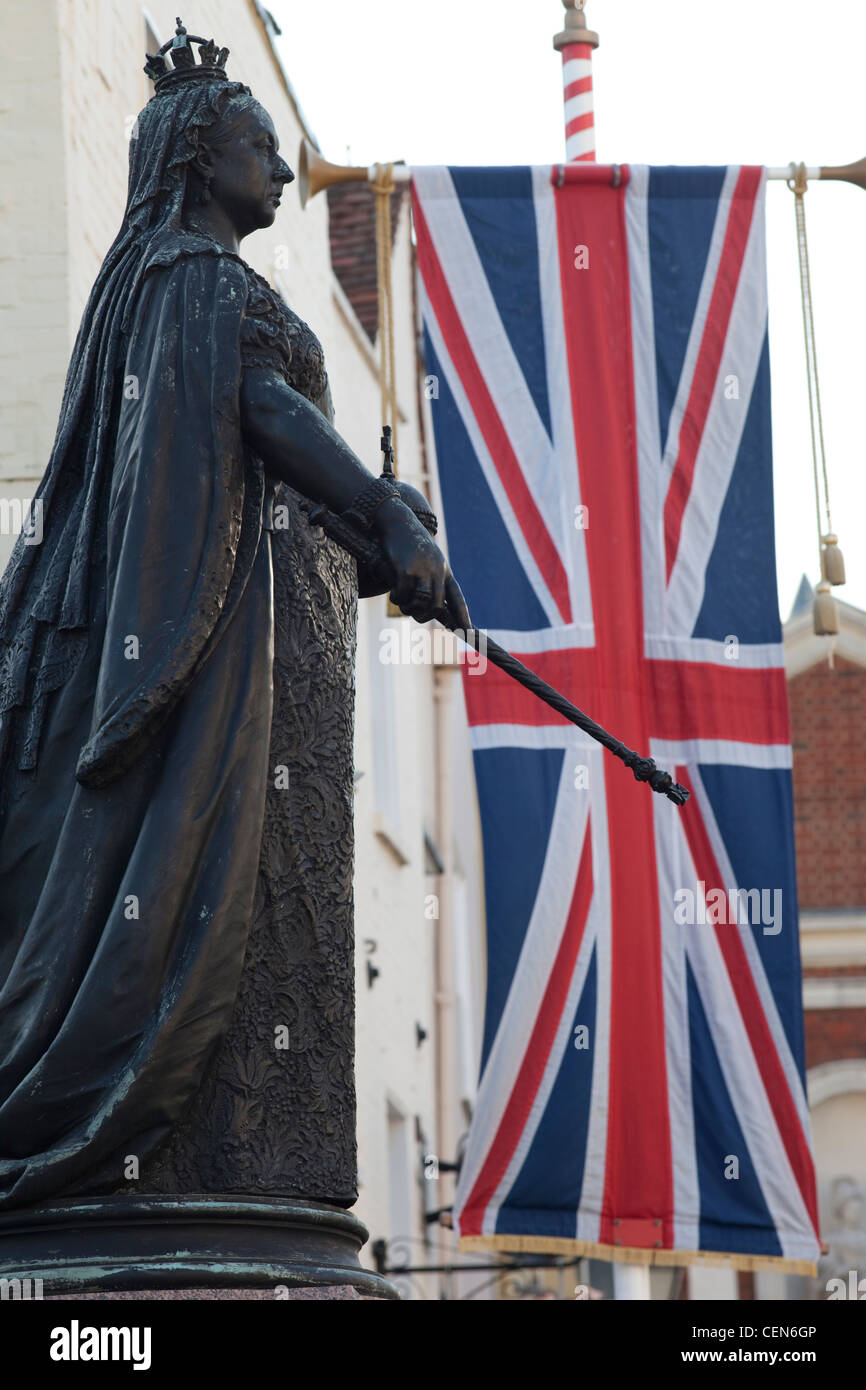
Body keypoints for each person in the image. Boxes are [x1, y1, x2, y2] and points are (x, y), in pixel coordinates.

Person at [0, 22, 468, 1209]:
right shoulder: (194, 285)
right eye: (258, 147)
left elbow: (254, 471)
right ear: (200, 159)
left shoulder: (150, 289)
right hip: (210, 667)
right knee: (211, 903)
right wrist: (390, 513)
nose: (275, 168)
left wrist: (379, 520)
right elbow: (262, 413)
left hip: (248, 642)